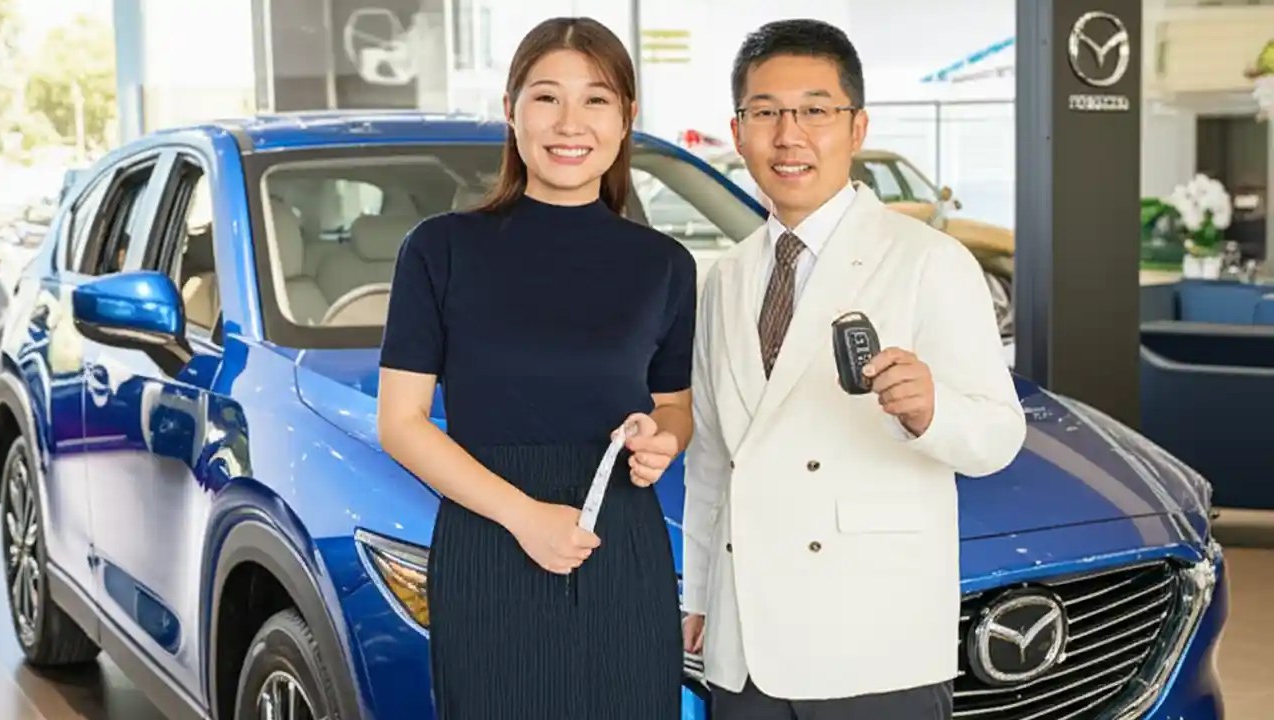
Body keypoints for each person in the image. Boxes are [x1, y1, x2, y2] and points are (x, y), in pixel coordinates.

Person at [681, 18, 1027, 719]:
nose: (789, 135)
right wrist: (702, 592)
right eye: (766, 113)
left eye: (815, 111)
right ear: (739, 132)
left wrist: (931, 411)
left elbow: (998, 436)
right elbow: (713, 456)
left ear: (857, 127)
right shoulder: (727, 278)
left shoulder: (928, 262)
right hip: (746, 639)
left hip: (873, 635)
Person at [376, 16, 695, 720]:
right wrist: (524, 518)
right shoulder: (441, 250)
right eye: (547, 97)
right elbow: (401, 424)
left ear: (626, 117)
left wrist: (663, 438)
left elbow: (675, 405)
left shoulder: (664, 265)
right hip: (491, 540)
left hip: (621, 546)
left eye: (596, 99)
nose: (570, 123)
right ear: (511, 110)